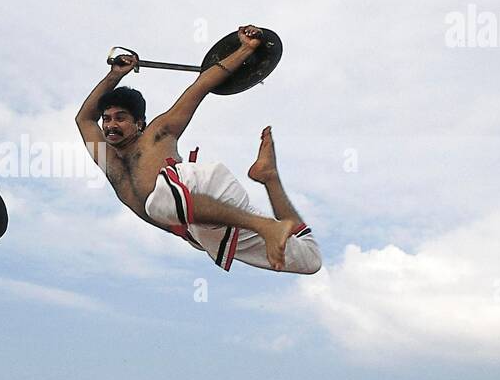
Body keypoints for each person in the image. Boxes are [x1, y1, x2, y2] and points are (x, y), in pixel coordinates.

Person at [75, 26, 321, 273]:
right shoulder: (108, 159)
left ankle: (264, 225)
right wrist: (114, 75)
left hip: (205, 188)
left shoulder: (157, 133)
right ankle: (268, 177)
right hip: (204, 226)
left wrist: (246, 49)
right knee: (310, 260)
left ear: (139, 124)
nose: (111, 125)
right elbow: (84, 119)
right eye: (107, 119)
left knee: (158, 203)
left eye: (120, 118)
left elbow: (200, 87)